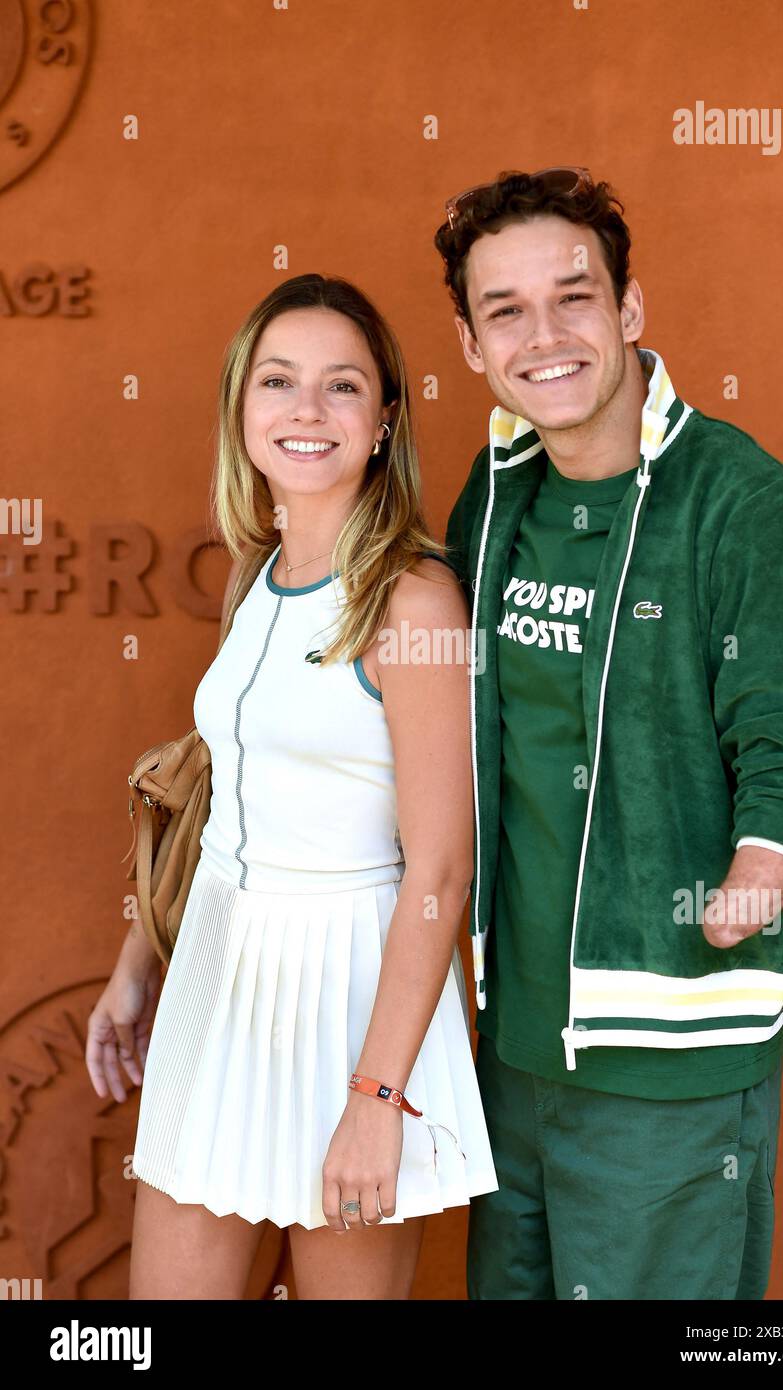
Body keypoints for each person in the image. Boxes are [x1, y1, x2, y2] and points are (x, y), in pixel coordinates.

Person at [433, 167, 783, 1300]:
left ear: (628, 311)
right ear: (471, 346)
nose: (544, 335)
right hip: (512, 1051)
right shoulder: (495, 490)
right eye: (504, 311)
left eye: (573, 297)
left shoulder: (751, 506)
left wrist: (759, 871)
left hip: (671, 1055)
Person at [86, 273, 498, 1300]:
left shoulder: (412, 595)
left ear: (383, 419)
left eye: (342, 386)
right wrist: (141, 960)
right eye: (278, 381)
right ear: (240, 408)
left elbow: (442, 865)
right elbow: (220, 792)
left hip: (351, 1005)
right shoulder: (256, 573)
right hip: (217, 989)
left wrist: (376, 1094)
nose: (306, 411)